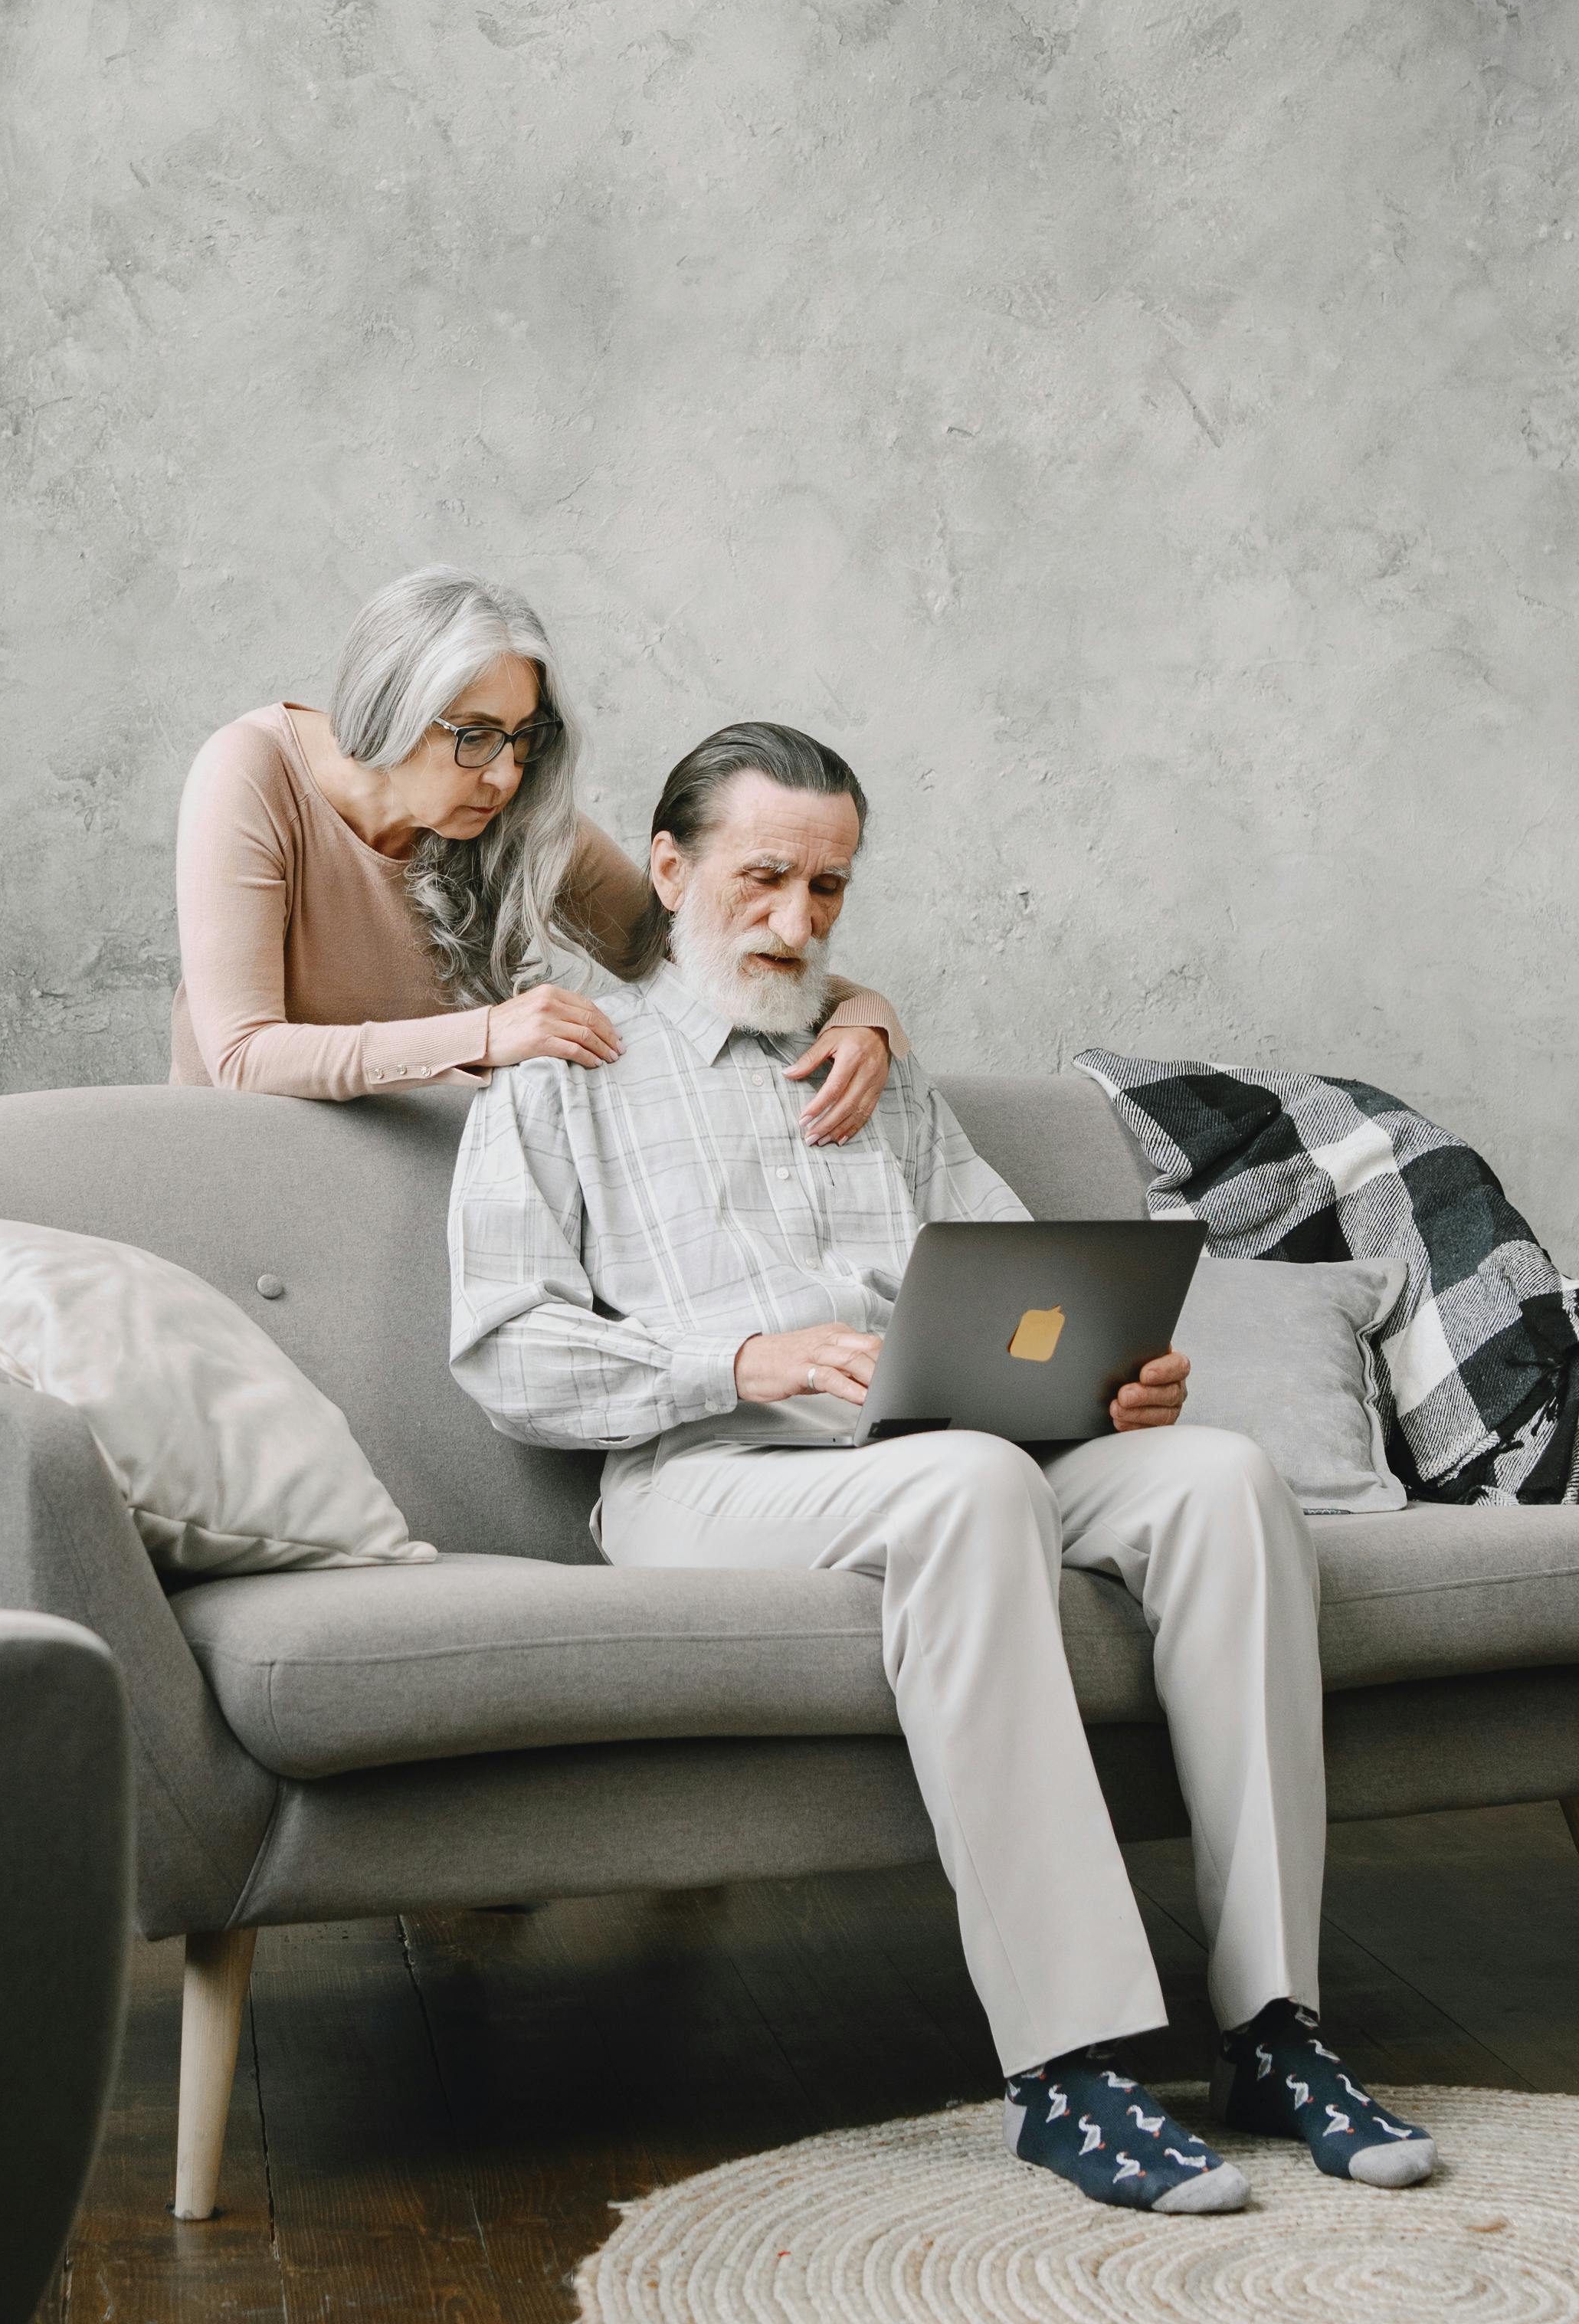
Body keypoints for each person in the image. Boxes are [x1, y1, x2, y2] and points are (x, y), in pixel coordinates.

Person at [447, 719, 1436, 2217]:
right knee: (970, 1486)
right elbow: (503, 1351)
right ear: (667, 867)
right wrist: (740, 1362)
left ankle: (1271, 2026)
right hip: (706, 1478)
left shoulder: (875, 1070)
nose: (797, 922)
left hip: (930, 1446)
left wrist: (1106, 1386)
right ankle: (1069, 2065)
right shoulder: (559, 1072)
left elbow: (1008, 1291)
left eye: (828, 888)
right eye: (762, 879)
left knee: (1222, 1478)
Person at [171, 565, 901, 1128]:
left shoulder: (519, 815)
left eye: (524, 738)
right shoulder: (251, 772)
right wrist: (486, 1032)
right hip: (251, 1161)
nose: (506, 774)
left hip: (432, 1175)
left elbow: (701, 949)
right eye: (476, 736)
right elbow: (242, 1055)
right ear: (392, 711)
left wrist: (861, 1012)